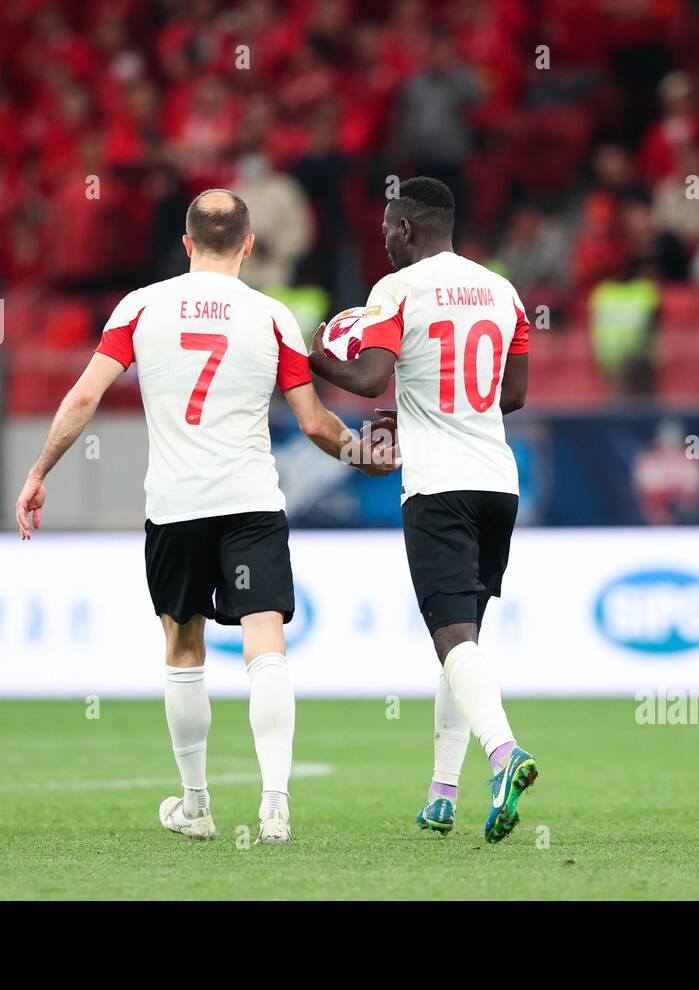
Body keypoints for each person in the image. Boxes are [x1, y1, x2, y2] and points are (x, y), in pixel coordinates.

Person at [15, 189, 394, 845]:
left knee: (183, 646)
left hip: (176, 505)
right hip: (250, 502)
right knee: (264, 640)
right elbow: (313, 422)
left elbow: (84, 396)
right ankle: (275, 803)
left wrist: (40, 470)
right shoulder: (273, 316)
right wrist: (365, 453)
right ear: (249, 245)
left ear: (186, 244)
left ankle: (197, 806)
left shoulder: (138, 307)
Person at [308, 177, 536, 843]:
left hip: (437, 484)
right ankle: (442, 791)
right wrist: (429, 406)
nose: (382, 240)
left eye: (386, 229)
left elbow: (369, 376)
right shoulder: (503, 290)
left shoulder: (397, 290)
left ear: (406, 228)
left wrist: (314, 352)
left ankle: (504, 754)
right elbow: (513, 394)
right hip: (498, 481)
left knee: (451, 639)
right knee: (463, 645)